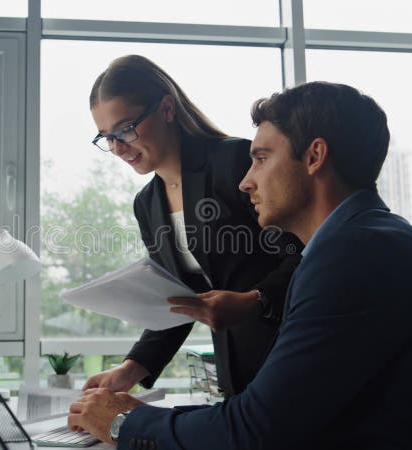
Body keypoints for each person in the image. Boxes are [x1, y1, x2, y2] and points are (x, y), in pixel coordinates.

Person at [68, 81, 412, 450]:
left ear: (315, 156)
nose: (246, 181)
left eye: (262, 159)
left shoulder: (352, 255)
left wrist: (126, 422)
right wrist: (135, 395)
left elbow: (255, 430)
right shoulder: (356, 242)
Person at [84, 55, 303, 397]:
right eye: (106, 137)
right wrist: (132, 367)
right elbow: (177, 298)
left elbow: (302, 252)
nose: (117, 148)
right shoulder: (147, 205)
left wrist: (254, 300)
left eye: (125, 129)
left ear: (167, 109)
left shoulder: (232, 163)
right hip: (238, 378)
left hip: (291, 356)